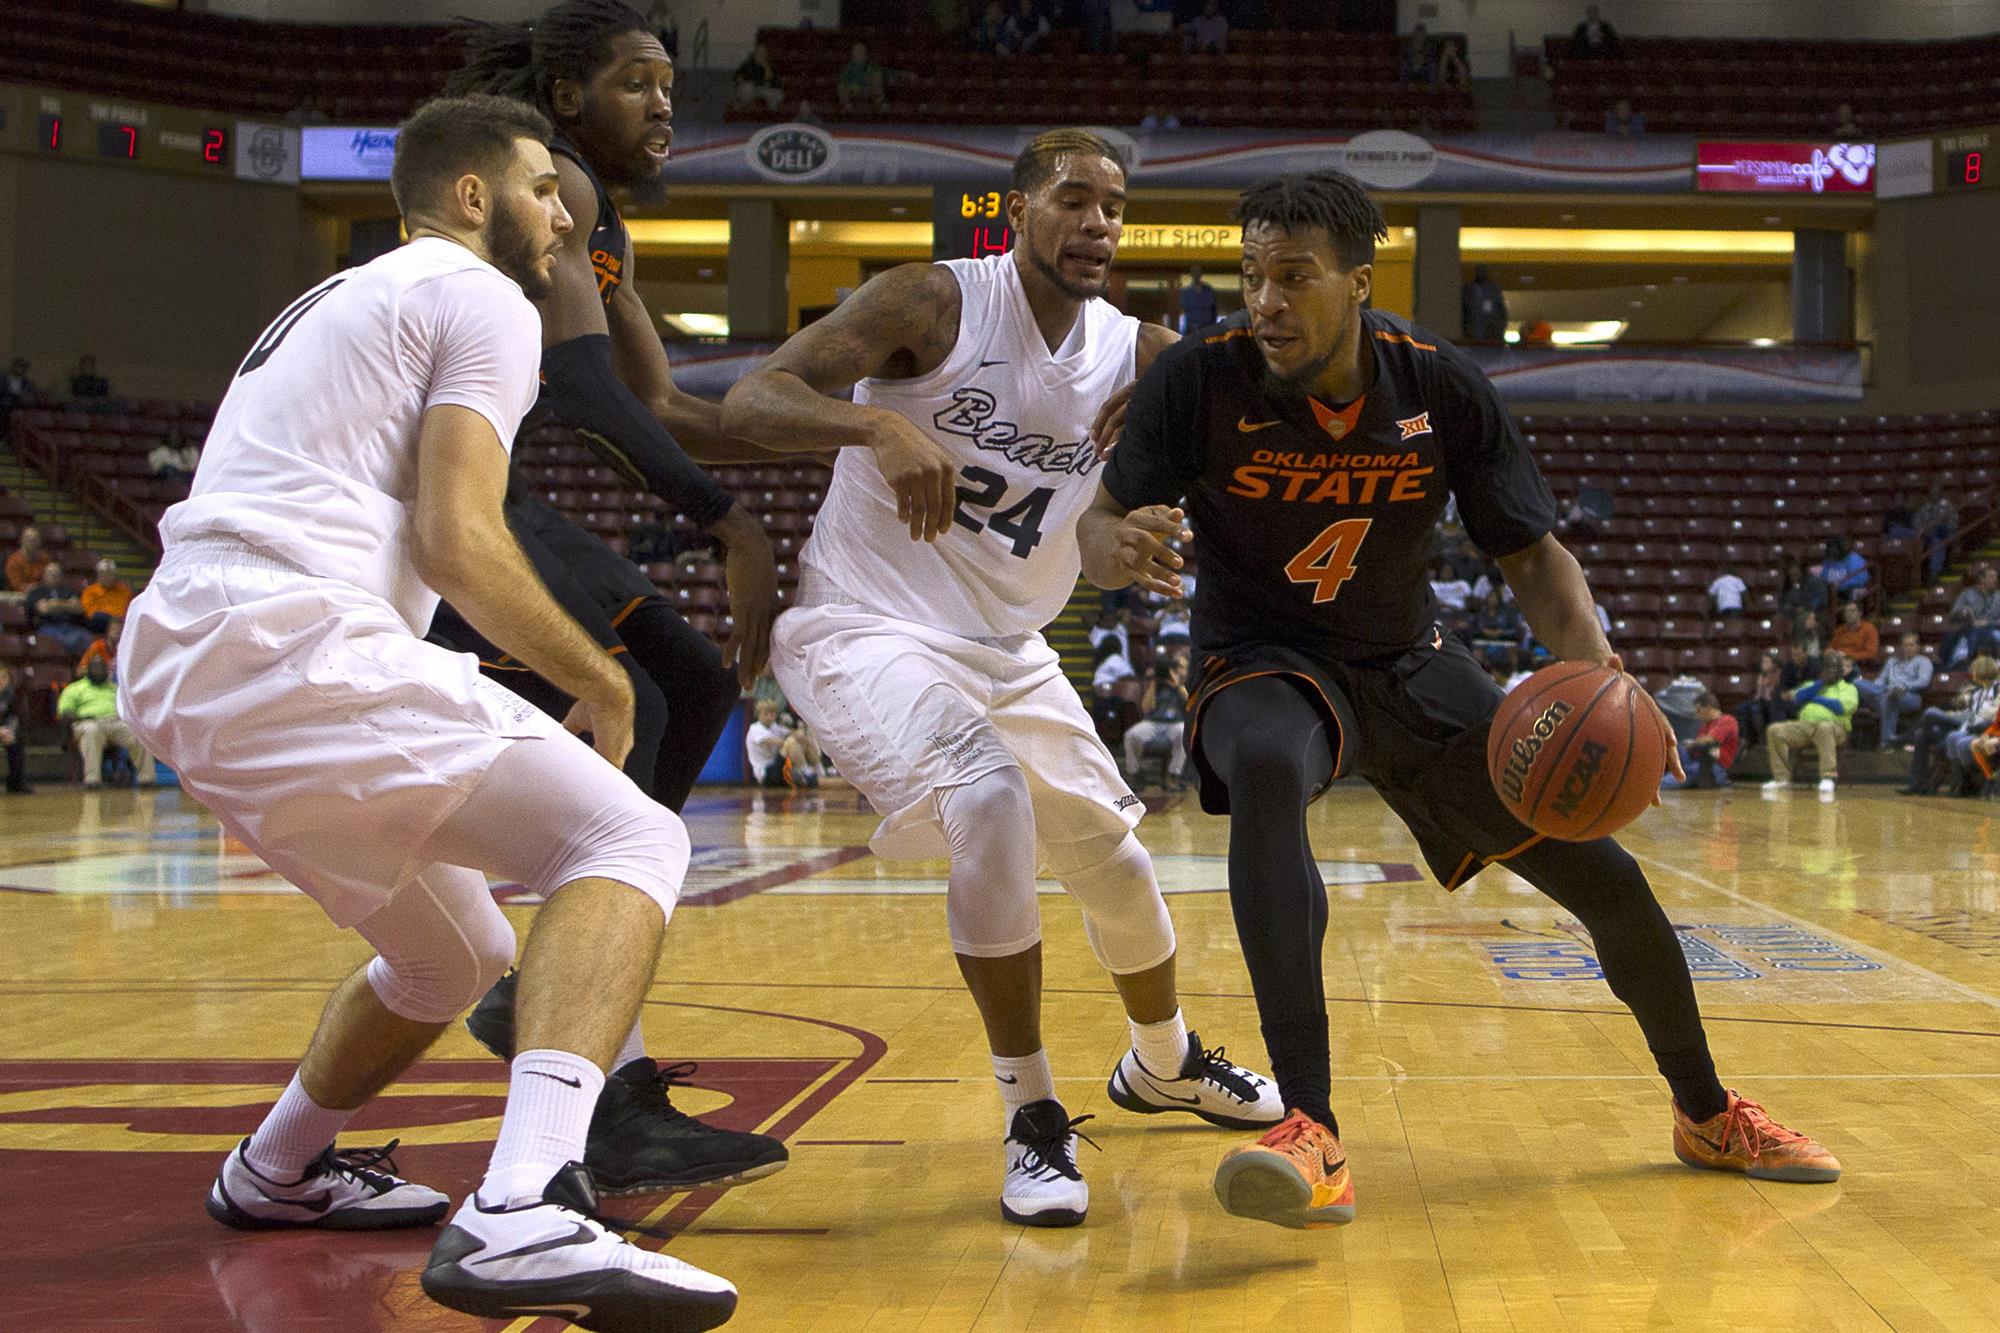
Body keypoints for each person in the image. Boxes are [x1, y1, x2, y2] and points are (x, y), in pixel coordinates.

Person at [1082, 166, 1836, 1231]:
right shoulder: (1198, 380)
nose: (1264, 302)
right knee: (1260, 768)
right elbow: (1097, 526)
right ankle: (1310, 1128)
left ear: (1357, 278)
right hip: (1263, 658)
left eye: (1291, 277)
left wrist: (1601, 674)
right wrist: (1108, 545)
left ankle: (1706, 1113)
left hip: (1409, 661)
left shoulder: (1436, 384)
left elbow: (1529, 557)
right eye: (1251, 277)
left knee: (1607, 883)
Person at [115, 94, 741, 1329]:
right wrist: (605, 679)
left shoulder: (346, 298)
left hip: (192, 654)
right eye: (542, 189)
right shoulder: (475, 295)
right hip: (283, 634)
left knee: (456, 953)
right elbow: (461, 540)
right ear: (472, 198)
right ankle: (525, 1207)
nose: (566, 215)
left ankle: (275, 1169)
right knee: (629, 836)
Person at [722, 127, 1282, 1229]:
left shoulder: (1144, 354)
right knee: (983, 799)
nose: (1096, 223)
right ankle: (1030, 1113)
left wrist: (1164, 450)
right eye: (1072, 199)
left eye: (1113, 207)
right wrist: (873, 422)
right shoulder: (929, 304)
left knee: (1116, 866)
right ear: (1015, 209)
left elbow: (1256, 416)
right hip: (864, 623)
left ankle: (1161, 1062)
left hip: (1011, 648)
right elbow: (749, 403)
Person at [443, 3, 794, 1190]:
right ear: (562, 100)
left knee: (689, 684)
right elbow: (588, 392)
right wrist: (730, 520)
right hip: (422, 510)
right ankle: (601, 1083)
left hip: (500, 498)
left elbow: (668, 412)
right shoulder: (559, 190)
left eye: (667, 85)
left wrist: (862, 433)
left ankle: (547, 999)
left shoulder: (602, 231)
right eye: (637, 82)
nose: (663, 104)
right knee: (641, 706)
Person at [1762, 649, 1856, 796]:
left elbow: (1840, 707)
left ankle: (1828, 777)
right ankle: (1781, 779)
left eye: (1834, 668)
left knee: (1824, 727)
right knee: (1774, 729)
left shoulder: (1848, 688)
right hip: (1805, 726)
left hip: (1835, 727)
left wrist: (1814, 699)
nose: (1831, 671)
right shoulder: (1812, 684)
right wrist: (1820, 683)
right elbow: (1798, 697)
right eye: (1828, 668)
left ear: (1840, 671)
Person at [1902, 656, 1999, 795]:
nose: (1972, 674)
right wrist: (1956, 708)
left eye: (1974, 671)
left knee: (1932, 714)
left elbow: (1989, 715)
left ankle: (1963, 784)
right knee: (1921, 734)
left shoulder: (1996, 690)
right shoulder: (1976, 690)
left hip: (1977, 728)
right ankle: (1918, 784)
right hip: (1966, 724)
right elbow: (1967, 711)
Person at [60, 655, 154, 787]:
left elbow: (128, 708)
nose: (99, 671)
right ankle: (92, 780)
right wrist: (83, 718)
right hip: (88, 722)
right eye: (96, 668)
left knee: (139, 734)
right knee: (91, 731)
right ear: (88, 670)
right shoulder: (75, 688)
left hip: (116, 722)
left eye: (102, 668)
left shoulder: (115, 688)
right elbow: (65, 713)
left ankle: (147, 779)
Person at [1854, 631, 1932, 748]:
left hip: (1909, 696)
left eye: (1911, 645)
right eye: (1905, 645)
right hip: (1884, 694)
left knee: (1891, 696)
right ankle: (1887, 743)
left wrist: (1904, 686)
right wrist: (1878, 688)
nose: (1907, 648)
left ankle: (1885, 743)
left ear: (1917, 647)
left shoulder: (1923, 661)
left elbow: (1923, 681)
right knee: (1856, 683)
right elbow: (1881, 680)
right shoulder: (1892, 661)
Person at [1123, 653, 1189, 787]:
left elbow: (1190, 704)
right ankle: (1134, 774)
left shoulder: (1184, 685)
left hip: (1176, 723)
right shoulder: (1155, 685)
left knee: (1183, 733)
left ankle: (1173, 775)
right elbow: (1146, 708)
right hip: (1153, 722)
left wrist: (1177, 686)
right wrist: (1154, 682)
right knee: (1131, 735)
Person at [1661, 691, 1737, 789]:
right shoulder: (1705, 725)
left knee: (1687, 772)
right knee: (1676, 747)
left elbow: (1710, 739)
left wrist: (1693, 743)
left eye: (1699, 710)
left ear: (1709, 707)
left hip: (1714, 765)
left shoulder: (1727, 720)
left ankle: (1664, 782)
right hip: (1698, 760)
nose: (1697, 714)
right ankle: (1678, 771)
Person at [743, 697, 821, 788]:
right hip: (767, 773)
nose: (769, 717)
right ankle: (804, 771)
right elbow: (777, 742)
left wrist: (799, 734)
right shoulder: (755, 729)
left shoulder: (774, 726)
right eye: (765, 714)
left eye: (771, 714)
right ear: (759, 715)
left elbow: (791, 732)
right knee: (791, 742)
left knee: (802, 739)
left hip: (780, 767)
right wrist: (795, 738)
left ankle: (817, 770)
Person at [26, 562, 93, 656]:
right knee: (68, 641)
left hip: (69, 627)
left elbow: (78, 608)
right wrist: (66, 604)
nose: (53, 577)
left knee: (86, 636)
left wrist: (55, 603)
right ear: (44, 575)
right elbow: (44, 609)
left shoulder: (68, 591)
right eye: (50, 574)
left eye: (56, 574)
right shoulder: (37, 592)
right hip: (48, 627)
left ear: (61, 576)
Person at [1942, 565, 2000, 666]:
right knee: (1953, 635)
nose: (1995, 580)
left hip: (1994, 629)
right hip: (1969, 628)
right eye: (1991, 577)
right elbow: (1953, 616)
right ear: (1981, 579)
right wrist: (1963, 613)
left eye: (1996, 577)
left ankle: (1972, 662)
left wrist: (1988, 623)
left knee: (1983, 633)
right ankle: (1951, 664)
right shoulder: (1967, 595)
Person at [81, 558, 133, 633]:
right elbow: (91, 613)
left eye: (109, 574)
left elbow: (129, 610)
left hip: (122, 622)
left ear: (115, 576)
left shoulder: (125, 591)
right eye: (102, 574)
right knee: (98, 616)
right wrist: (113, 619)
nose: (106, 577)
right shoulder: (90, 591)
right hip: (101, 623)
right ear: (98, 576)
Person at [0, 661, 28, 794]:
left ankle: (15, 782)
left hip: (3, 730)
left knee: (17, 738)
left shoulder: (9, 693)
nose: (1, 681)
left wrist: (10, 730)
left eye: (4, 677)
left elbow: (13, 716)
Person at [1460, 264, 1507, 343]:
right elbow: (1464, 310)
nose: (1481, 274)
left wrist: (1501, 324)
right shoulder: (1469, 289)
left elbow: (1501, 308)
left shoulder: (1494, 289)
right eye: (1480, 272)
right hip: (1476, 328)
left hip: (1493, 328)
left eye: (1483, 272)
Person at [1826, 599, 1878, 668]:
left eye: (1852, 611)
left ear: (1860, 613)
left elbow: (1871, 653)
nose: (1848, 614)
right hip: (1837, 661)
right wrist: (1828, 652)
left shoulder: (1869, 629)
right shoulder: (1840, 630)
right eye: (1846, 611)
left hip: (1856, 663)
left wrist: (1846, 655)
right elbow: (1831, 647)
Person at [1816, 535, 1869, 602]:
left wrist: (1839, 585)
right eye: (1830, 548)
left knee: (1854, 592)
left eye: (1835, 549)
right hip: (1831, 590)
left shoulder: (1853, 559)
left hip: (1849, 590)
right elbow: (1824, 576)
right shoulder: (1828, 560)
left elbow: (1861, 580)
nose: (1832, 551)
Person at [732, 42, 784, 110]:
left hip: (761, 89)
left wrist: (766, 67)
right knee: (748, 87)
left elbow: (774, 83)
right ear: (755, 53)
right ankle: (743, 104)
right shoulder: (748, 64)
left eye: (763, 52)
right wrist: (740, 78)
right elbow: (737, 77)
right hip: (749, 89)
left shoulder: (770, 65)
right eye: (759, 51)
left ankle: (771, 110)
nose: (761, 54)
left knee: (779, 94)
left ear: (766, 54)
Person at [837, 41, 887, 110]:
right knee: (842, 87)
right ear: (852, 54)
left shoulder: (873, 67)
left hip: (869, 93)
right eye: (857, 51)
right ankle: (848, 105)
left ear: (866, 54)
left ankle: (877, 105)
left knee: (877, 76)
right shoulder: (848, 69)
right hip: (854, 93)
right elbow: (843, 83)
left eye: (862, 51)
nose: (859, 54)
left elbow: (877, 84)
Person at [6, 525, 49, 591]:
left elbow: (50, 582)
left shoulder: (46, 558)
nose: (32, 543)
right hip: (19, 597)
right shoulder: (13, 561)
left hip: (42, 595)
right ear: (22, 541)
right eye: (29, 540)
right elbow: (17, 586)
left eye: (35, 540)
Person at [1178, 264, 1218, 332]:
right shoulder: (1186, 292)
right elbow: (1184, 306)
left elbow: (1213, 308)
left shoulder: (1208, 290)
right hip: (1191, 327)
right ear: (1191, 274)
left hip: (1206, 327)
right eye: (1194, 272)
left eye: (1198, 272)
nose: (1196, 274)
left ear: (1201, 274)